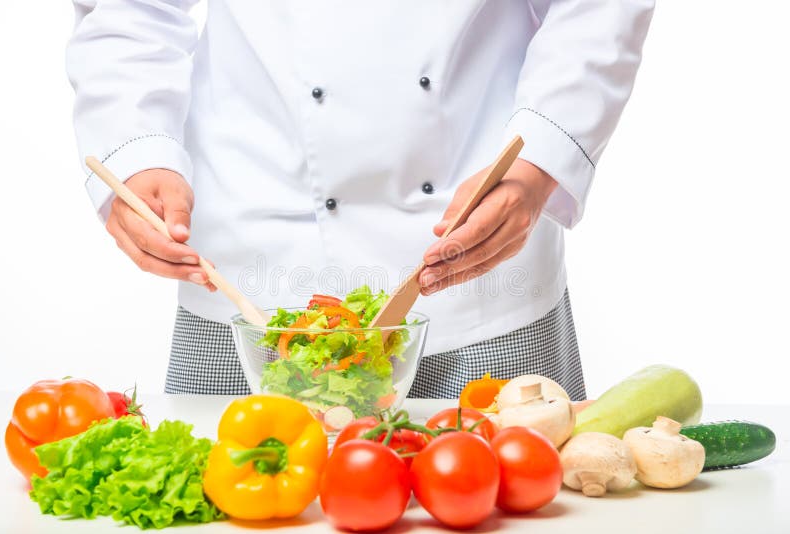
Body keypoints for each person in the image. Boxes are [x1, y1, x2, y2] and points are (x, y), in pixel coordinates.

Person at [67, 1, 654, 399]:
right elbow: (130, 11)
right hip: (252, 264)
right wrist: (135, 148)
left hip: (480, 263)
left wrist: (542, 156)